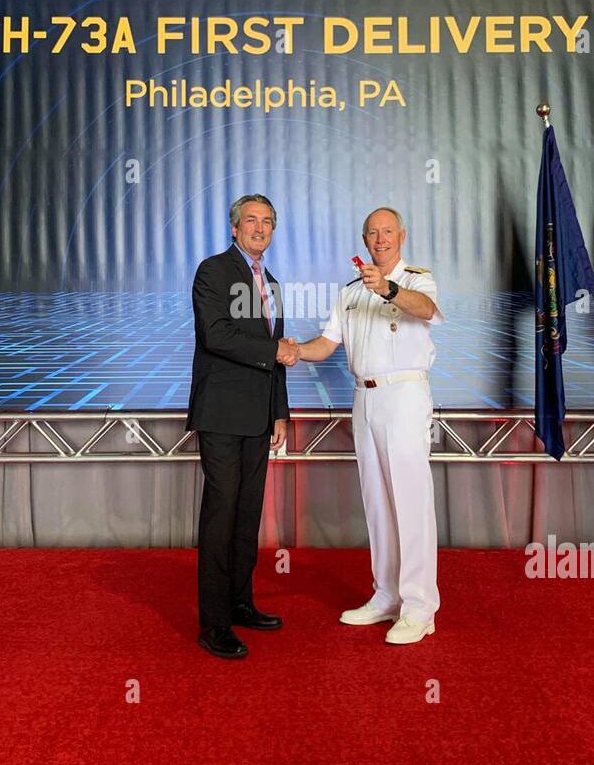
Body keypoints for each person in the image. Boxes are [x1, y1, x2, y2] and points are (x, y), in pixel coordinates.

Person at [291, 207, 442, 645]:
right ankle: (387, 595)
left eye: (388, 231)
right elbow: (327, 343)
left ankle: (419, 607)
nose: (381, 238)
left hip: (405, 394)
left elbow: (427, 309)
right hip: (364, 396)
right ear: (363, 239)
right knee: (377, 500)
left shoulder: (416, 279)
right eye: (373, 232)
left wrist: (390, 288)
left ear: (403, 235)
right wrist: (294, 351)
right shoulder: (351, 291)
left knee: (410, 500)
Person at [187, 194, 297, 660]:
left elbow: (276, 355)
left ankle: (239, 603)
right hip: (221, 413)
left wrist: (279, 411)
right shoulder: (213, 272)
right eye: (251, 220)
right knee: (221, 514)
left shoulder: (270, 281)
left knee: (248, 514)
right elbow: (216, 334)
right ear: (234, 228)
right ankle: (213, 624)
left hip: (257, 417)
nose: (259, 227)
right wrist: (275, 351)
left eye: (267, 221)